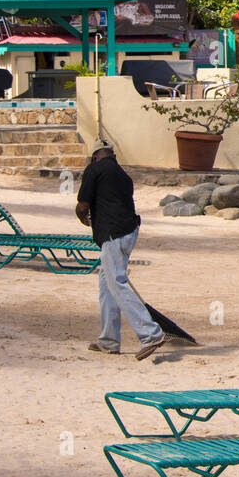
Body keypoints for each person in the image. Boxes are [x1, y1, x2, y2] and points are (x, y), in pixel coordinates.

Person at [75, 141, 168, 360]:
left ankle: (150, 333)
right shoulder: (123, 174)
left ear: (95, 156)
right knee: (106, 284)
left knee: (116, 282)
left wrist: (83, 218)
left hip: (113, 234)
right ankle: (109, 340)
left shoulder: (94, 169)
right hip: (129, 232)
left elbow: (83, 205)